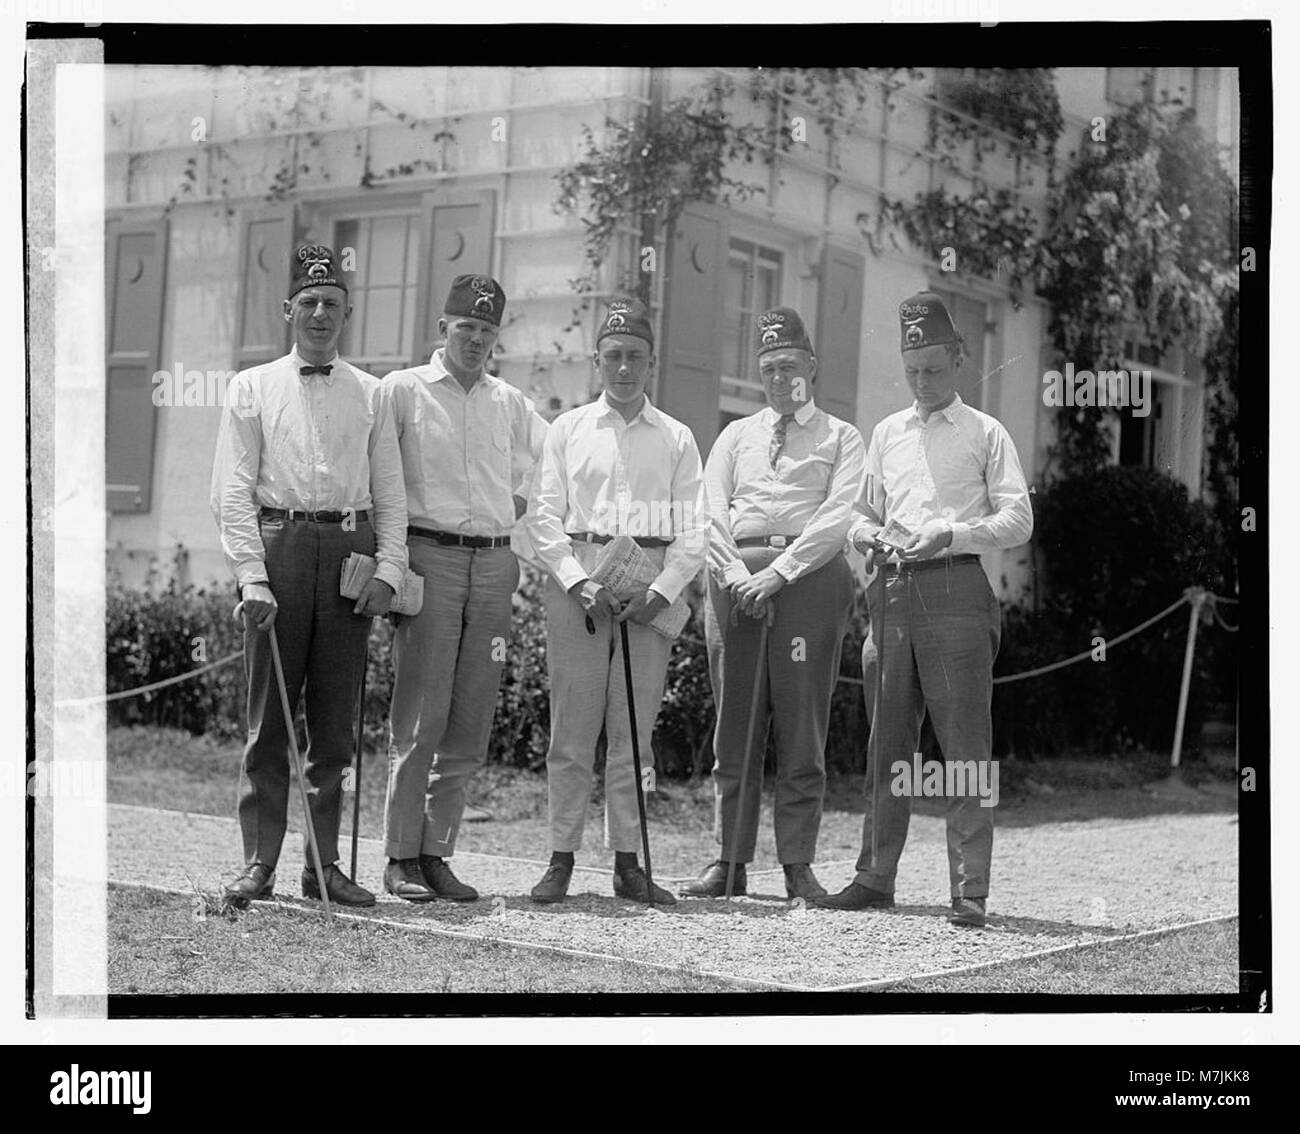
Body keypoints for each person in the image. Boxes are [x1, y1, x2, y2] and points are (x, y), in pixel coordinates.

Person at [815, 291, 1033, 928]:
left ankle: (969, 889)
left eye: (934, 369)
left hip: (957, 589)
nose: (923, 381)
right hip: (891, 591)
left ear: (960, 359)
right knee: (887, 743)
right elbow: (859, 511)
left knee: (964, 746)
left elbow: (1018, 518)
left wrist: (954, 535)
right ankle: (874, 876)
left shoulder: (985, 432)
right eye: (913, 370)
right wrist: (865, 536)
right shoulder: (886, 433)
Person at [215, 243, 407, 909]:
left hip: (349, 549)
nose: (320, 313)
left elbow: (392, 492)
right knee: (270, 721)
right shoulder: (252, 386)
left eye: (332, 304)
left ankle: (323, 868)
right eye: (309, 303)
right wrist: (251, 576)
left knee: (334, 724)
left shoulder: (373, 392)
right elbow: (231, 492)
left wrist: (389, 566)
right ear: (288, 309)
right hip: (281, 546)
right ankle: (258, 864)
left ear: (347, 313)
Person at [525, 297, 709, 905]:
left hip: (647, 588)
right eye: (613, 357)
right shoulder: (568, 430)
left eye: (635, 357)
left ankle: (629, 863)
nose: (623, 368)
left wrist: (660, 593)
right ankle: (561, 858)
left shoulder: (677, 437)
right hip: (580, 584)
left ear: (651, 363)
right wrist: (578, 580)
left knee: (634, 733)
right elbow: (544, 517)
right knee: (571, 731)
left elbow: (694, 528)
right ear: (597, 361)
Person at [682, 307, 865, 900]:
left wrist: (779, 574)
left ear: (811, 366)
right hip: (735, 583)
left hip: (808, 582)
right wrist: (737, 573)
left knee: (801, 722)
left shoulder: (842, 437)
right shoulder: (736, 436)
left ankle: (797, 864)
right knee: (734, 723)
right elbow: (709, 510)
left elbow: (838, 516)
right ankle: (728, 860)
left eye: (790, 365)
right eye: (768, 369)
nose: (780, 379)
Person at [381, 275, 540, 902]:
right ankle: (399, 857)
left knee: (472, 716)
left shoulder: (509, 402)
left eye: (486, 331)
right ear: (443, 328)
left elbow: (554, 460)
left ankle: (437, 853)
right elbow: (379, 476)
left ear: (496, 337)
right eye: (465, 328)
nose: (475, 340)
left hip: (496, 565)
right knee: (423, 713)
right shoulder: (404, 391)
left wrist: (520, 500)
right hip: (431, 557)